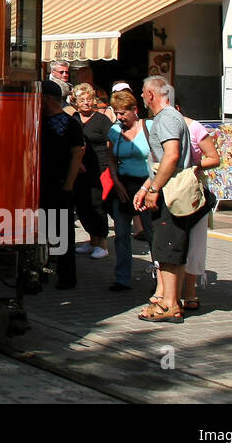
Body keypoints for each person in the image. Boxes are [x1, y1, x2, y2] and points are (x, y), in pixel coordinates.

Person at [133, 75, 210, 322]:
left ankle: (169, 304)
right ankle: (170, 301)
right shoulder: (173, 117)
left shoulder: (165, 119)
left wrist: (154, 189)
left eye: (143, 92)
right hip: (172, 188)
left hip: (171, 192)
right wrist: (147, 186)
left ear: (152, 95)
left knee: (166, 248)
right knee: (172, 249)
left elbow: (171, 156)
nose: (142, 97)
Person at [107, 89, 154, 291]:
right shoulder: (115, 131)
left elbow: (159, 159)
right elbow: (110, 156)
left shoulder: (149, 127)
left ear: (134, 110)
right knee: (121, 234)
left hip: (147, 185)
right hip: (124, 186)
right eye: (116, 113)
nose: (119, 117)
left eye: (122, 113)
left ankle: (160, 280)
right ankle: (122, 278)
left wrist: (149, 188)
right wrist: (116, 181)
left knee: (153, 235)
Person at [40, 79, 85, 290]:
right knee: (41, 230)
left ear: (47, 98)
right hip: (41, 184)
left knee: (62, 232)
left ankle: (66, 276)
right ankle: (40, 272)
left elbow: (77, 156)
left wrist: (68, 185)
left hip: (60, 184)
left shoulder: (71, 123)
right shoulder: (37, 121)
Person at [180, 112, 222, 311]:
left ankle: (190, 291)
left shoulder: (195, 127)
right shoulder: (157, 125)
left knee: (195, 244)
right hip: (167, 191)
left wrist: (192, 167)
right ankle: (167, 290)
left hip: (194, 192)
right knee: (170, 242)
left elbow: (214, 158)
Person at [71, 83, 112, 261]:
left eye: (89, 99)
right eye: (82, 100)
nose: (86, 103)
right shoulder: (74, 119)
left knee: (97, 205)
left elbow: (111, 144)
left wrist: (109, 166)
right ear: (76, 102)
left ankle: (102, 243)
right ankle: (91, 240)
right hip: (78, 169)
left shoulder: (102, 120)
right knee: (82, 205)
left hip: (98, 169)